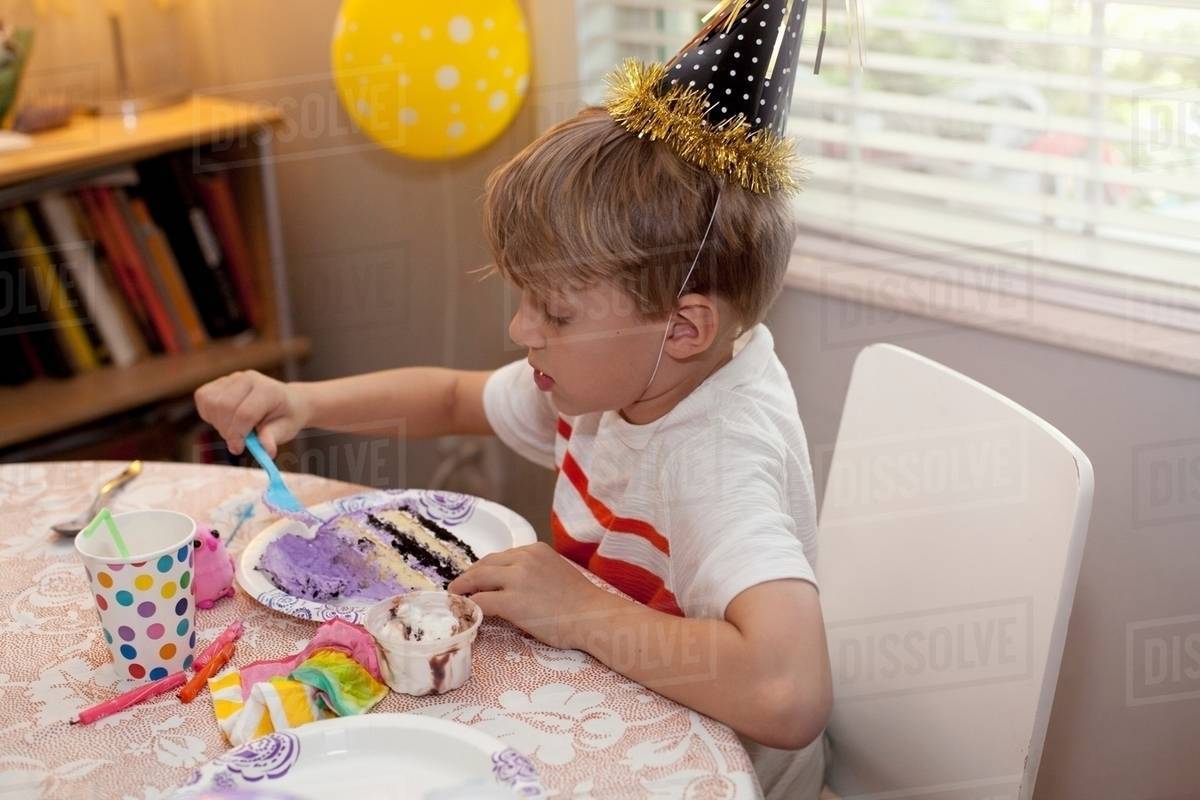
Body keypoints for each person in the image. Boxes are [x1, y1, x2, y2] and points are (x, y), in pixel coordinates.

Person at [195, 2, 832, 795]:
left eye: (554, 312)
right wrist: (301, 400)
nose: (519, 327)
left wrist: (577, 611)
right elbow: (455, 399)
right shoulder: (623, 374)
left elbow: (790, 695)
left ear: (684, 327)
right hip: (615, 701)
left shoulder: (715, 456)